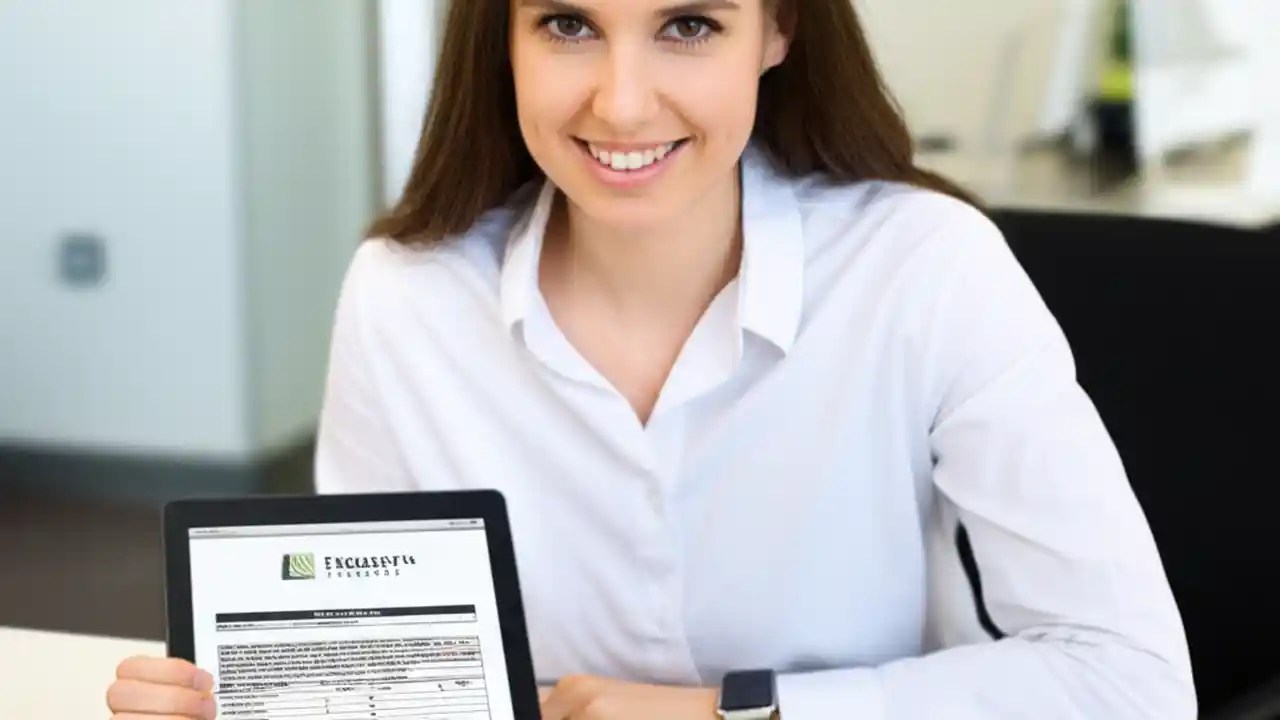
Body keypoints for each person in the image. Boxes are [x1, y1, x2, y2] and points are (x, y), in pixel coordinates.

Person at [107, 0, 1197, 718]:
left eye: (686, 24)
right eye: (569, 25)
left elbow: (1133, 682)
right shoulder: (407, 296)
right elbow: (408, 686)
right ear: (503, 38)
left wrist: (734, 712)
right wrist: (263, 702)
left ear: (777, 30)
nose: (621, 103)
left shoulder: (923, 268)